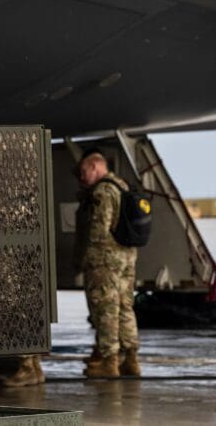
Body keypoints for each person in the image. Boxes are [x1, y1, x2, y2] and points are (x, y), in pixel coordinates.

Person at [75, 151, 141, 378]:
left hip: (106, 259)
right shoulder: (122, 185)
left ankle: (109, 360)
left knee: (106, 309)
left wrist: (88, 258)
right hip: (127, 256)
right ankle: (131, 358)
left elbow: (99, 230)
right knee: (124, 306)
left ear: (95, 167)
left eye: (84, 171)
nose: (82, 178)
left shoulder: (103, 191)